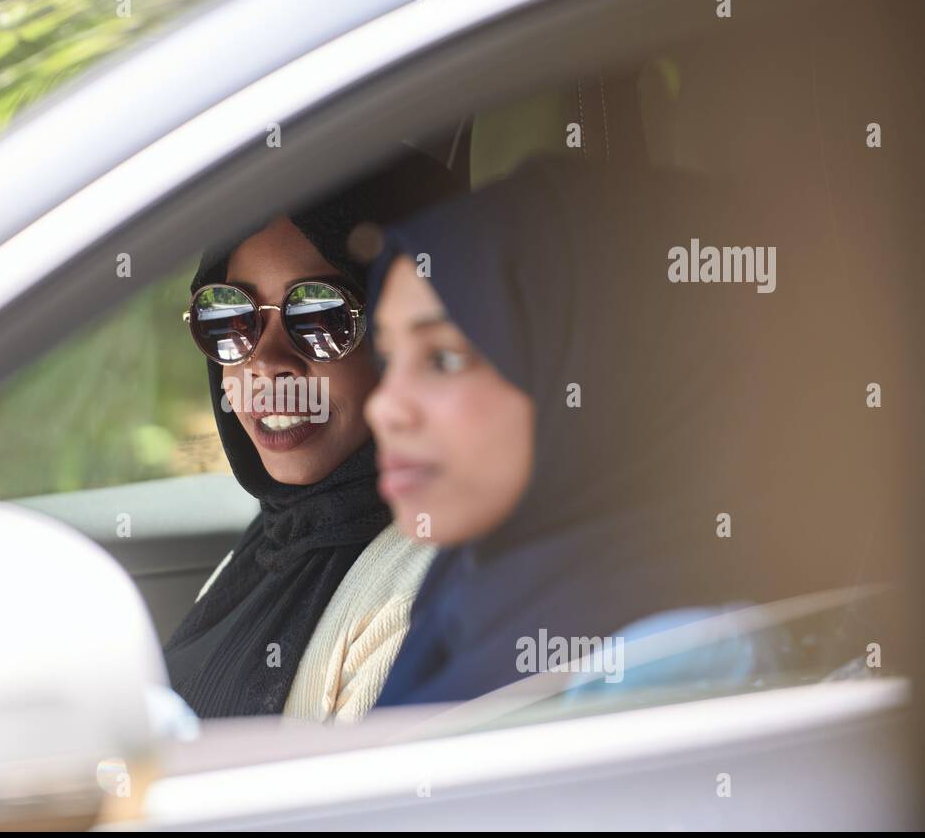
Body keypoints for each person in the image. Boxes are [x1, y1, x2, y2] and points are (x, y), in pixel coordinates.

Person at [362, 156, 868, 708]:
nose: (384, 407)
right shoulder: (471, 589)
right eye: (387, 359)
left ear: (609, 370)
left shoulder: (660, 663)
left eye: (444, 359)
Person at [164, 149, 464, 721]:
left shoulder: (417, 596)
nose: (265, 362)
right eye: (230, 317)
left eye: (323, 317)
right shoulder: (281, 533)